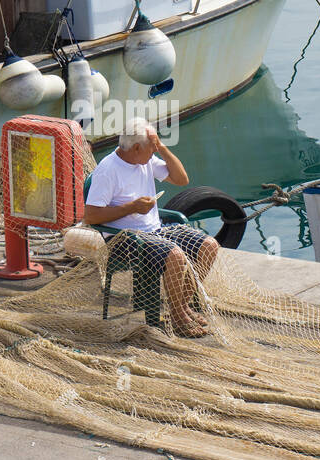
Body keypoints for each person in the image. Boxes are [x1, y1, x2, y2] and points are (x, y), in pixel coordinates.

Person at [83, 118, 219, 338]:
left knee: (208, 246)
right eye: (152, 147)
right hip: (124, 239)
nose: (153, 151)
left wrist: (162, 148)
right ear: (136, 148)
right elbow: (91, 216)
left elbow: (181, 179)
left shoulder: (144, 159)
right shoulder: (108, 170)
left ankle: (182, 305)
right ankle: (178, 317)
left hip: (155, 230)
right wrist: (132, 207)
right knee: (174, 255)